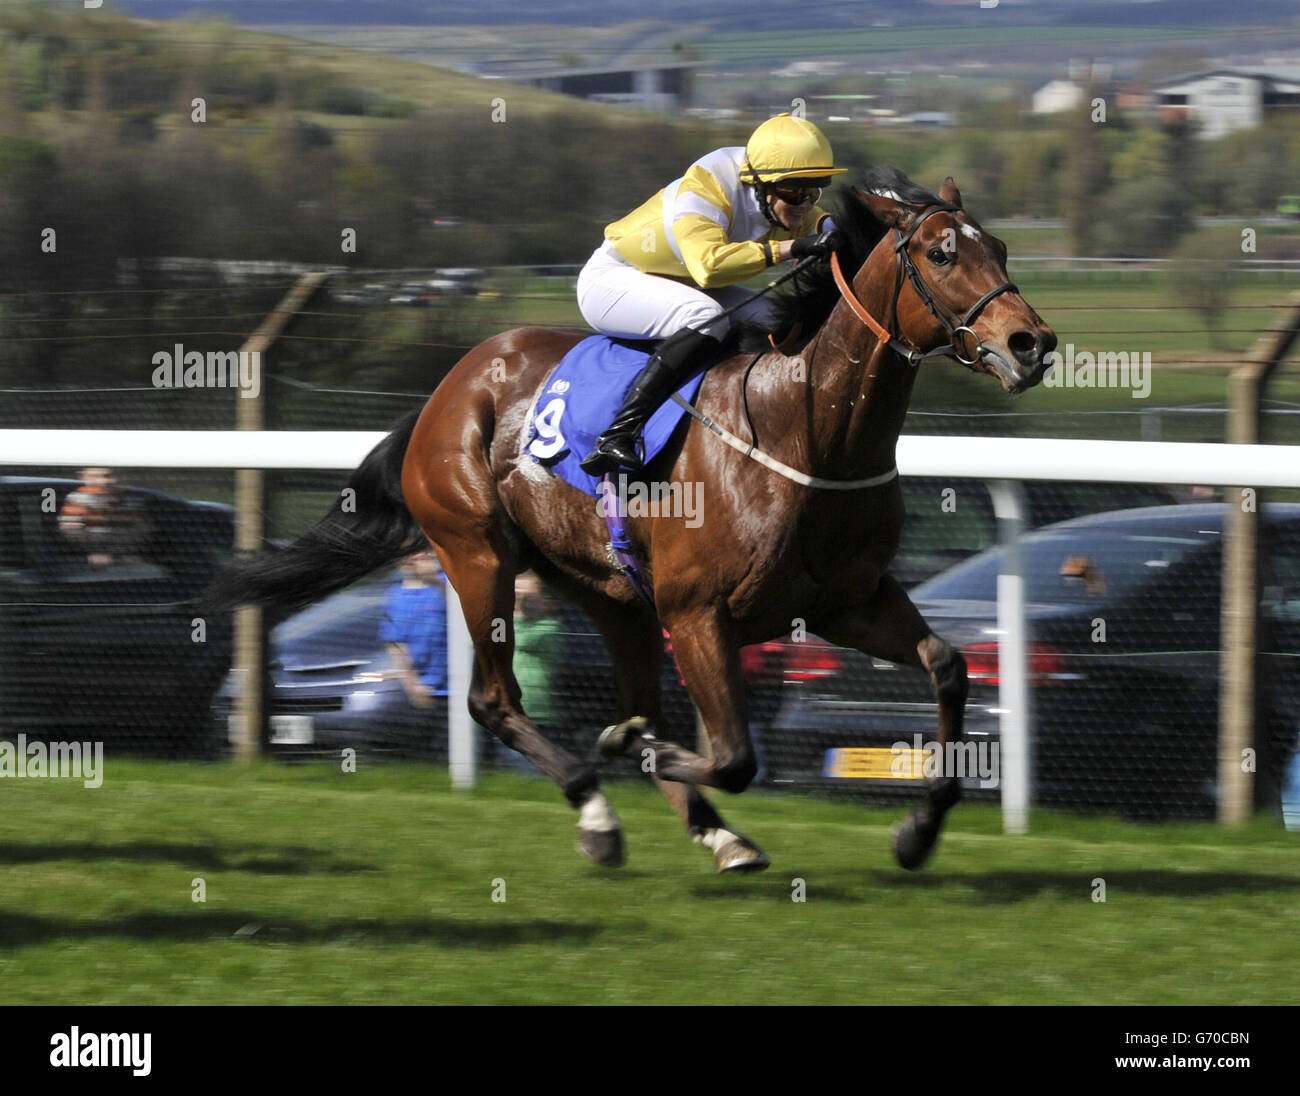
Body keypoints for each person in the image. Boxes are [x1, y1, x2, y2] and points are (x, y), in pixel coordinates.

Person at [576, 112, 847, 477]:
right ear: (759, 185)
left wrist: (842, 230)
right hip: (616, 279)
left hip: (685, 286)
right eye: (794, 192)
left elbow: (818, 221)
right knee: (703, 316)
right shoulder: (706, 186)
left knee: (780, 321)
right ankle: (618, 433)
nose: (803, 203)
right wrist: (792, 248)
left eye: (812, 192)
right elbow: (708, 267)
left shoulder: (779, 193)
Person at [380, 550, 449, 749]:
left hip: (456, 691)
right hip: (420, 693)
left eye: (415, 553)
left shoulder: (446, 582)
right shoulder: (394, 595)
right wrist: (413, 687)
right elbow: (395, 644)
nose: (410, 559)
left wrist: (433, 579)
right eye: (404, 554)